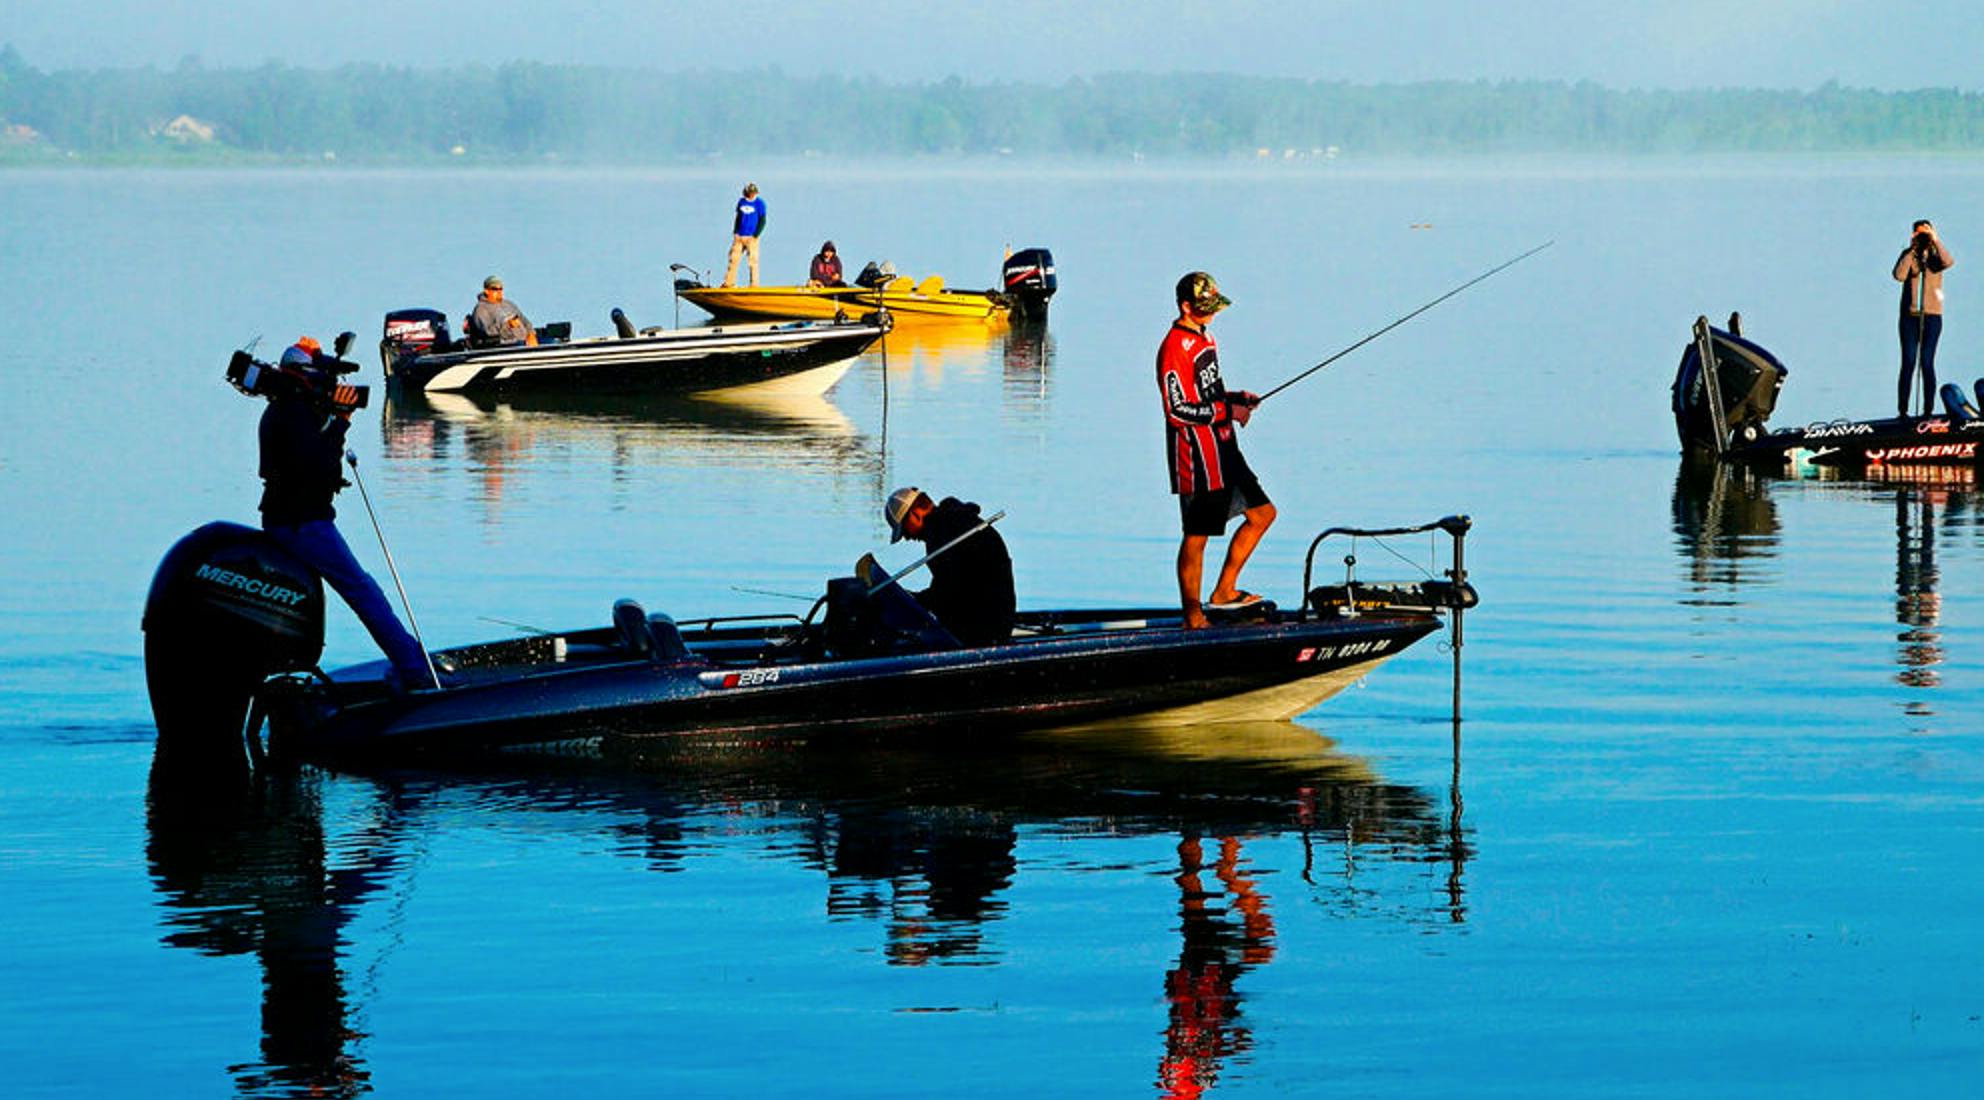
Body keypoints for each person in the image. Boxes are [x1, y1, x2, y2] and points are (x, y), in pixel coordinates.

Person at [258, 340, 437, 691]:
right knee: (363, 591)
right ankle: (416, 672)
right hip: (303, 524)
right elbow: (316, 466)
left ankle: (411, 661)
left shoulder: (284, 409)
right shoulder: (293, 412)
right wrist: (340, 421)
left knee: (364, 590)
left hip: (293, 519)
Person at [1157, 271, 1275, 630]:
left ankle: (1224, 591)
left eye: (1213, 307)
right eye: (1204, 308)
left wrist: (1236, 398)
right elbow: (1177, 410)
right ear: (1185, 306)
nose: (1211, 314)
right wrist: (1227, 411)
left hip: (1224, 447)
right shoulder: (1174, 348)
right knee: (1197, 535)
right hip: (1197, 457)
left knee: (1263, 514)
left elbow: (1207, 392)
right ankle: (1192, 614)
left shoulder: (1206, 338)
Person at [882, 486, 1016, 647]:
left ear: (915, 514)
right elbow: (952, 585)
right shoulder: (956, 522)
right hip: (998, 620)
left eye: (905, 530)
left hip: (981, 632)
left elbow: (948, 591)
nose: (909, 537)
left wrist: (916, 601)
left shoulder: (942, 534)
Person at [1894, 220, 1953, 416]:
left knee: (1927, 363)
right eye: (1918, 234)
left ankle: (1928, 410)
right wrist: (1912, 250)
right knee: (1908, 362)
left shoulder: (1935, 257)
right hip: (1909, 317)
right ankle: (1903, 410)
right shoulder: (1909, 256)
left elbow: (1948, 262)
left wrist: (1935, 240)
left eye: (1924, 233)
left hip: (1932, 317)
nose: (1922, 237)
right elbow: (1899, 275)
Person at [467, 275, 536, 347]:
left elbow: (526, 322)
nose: (499, 292)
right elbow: (488, 332)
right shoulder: (481, 309)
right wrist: (507, 325)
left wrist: (531, 334)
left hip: (525, 343)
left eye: (501, 289)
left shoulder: (509, 304)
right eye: (495, 289)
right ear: (486, 291)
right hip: (504, 346)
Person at [721, 183, 768, 288]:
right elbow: (738, 217)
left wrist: (756, 235)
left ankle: (754, 284)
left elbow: (763, 220)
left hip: (752, 237)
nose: (750, 195)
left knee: (753, 261)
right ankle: (729, 282)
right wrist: (735, 232)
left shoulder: (759, 203)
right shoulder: (741, 202)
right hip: (739, 236)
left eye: (752, 193)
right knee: (733, 259)